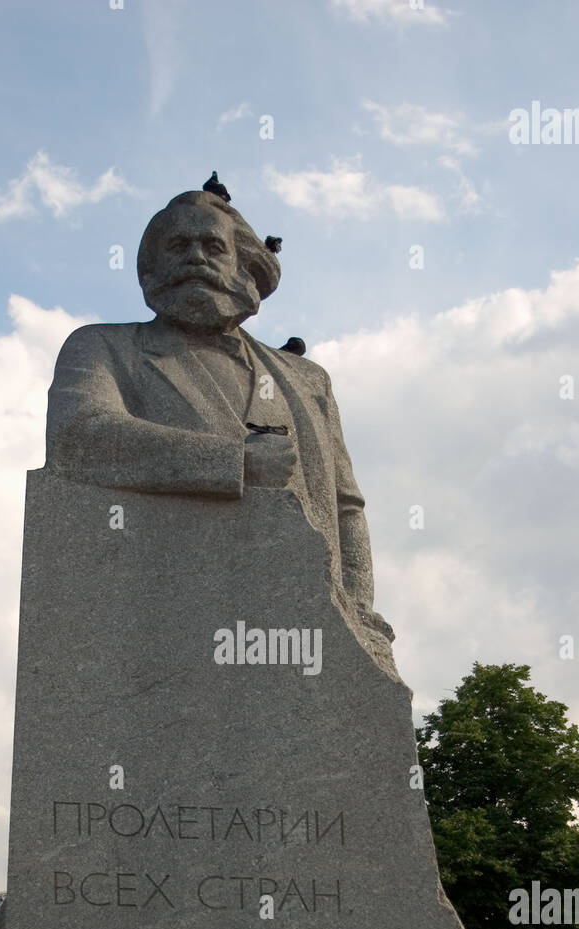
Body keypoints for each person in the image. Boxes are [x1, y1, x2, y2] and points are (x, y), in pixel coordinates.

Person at [45, 183, 396, 671]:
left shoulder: (307, 379)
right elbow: (79, 436)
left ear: (244, 266)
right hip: (166, 627)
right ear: (152, 267)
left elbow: (345, 506)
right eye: (177, 246)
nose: (195, 257)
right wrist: (236, 462)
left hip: (311, 628)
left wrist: (360, 614)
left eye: (212, 247)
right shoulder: (102, 347)